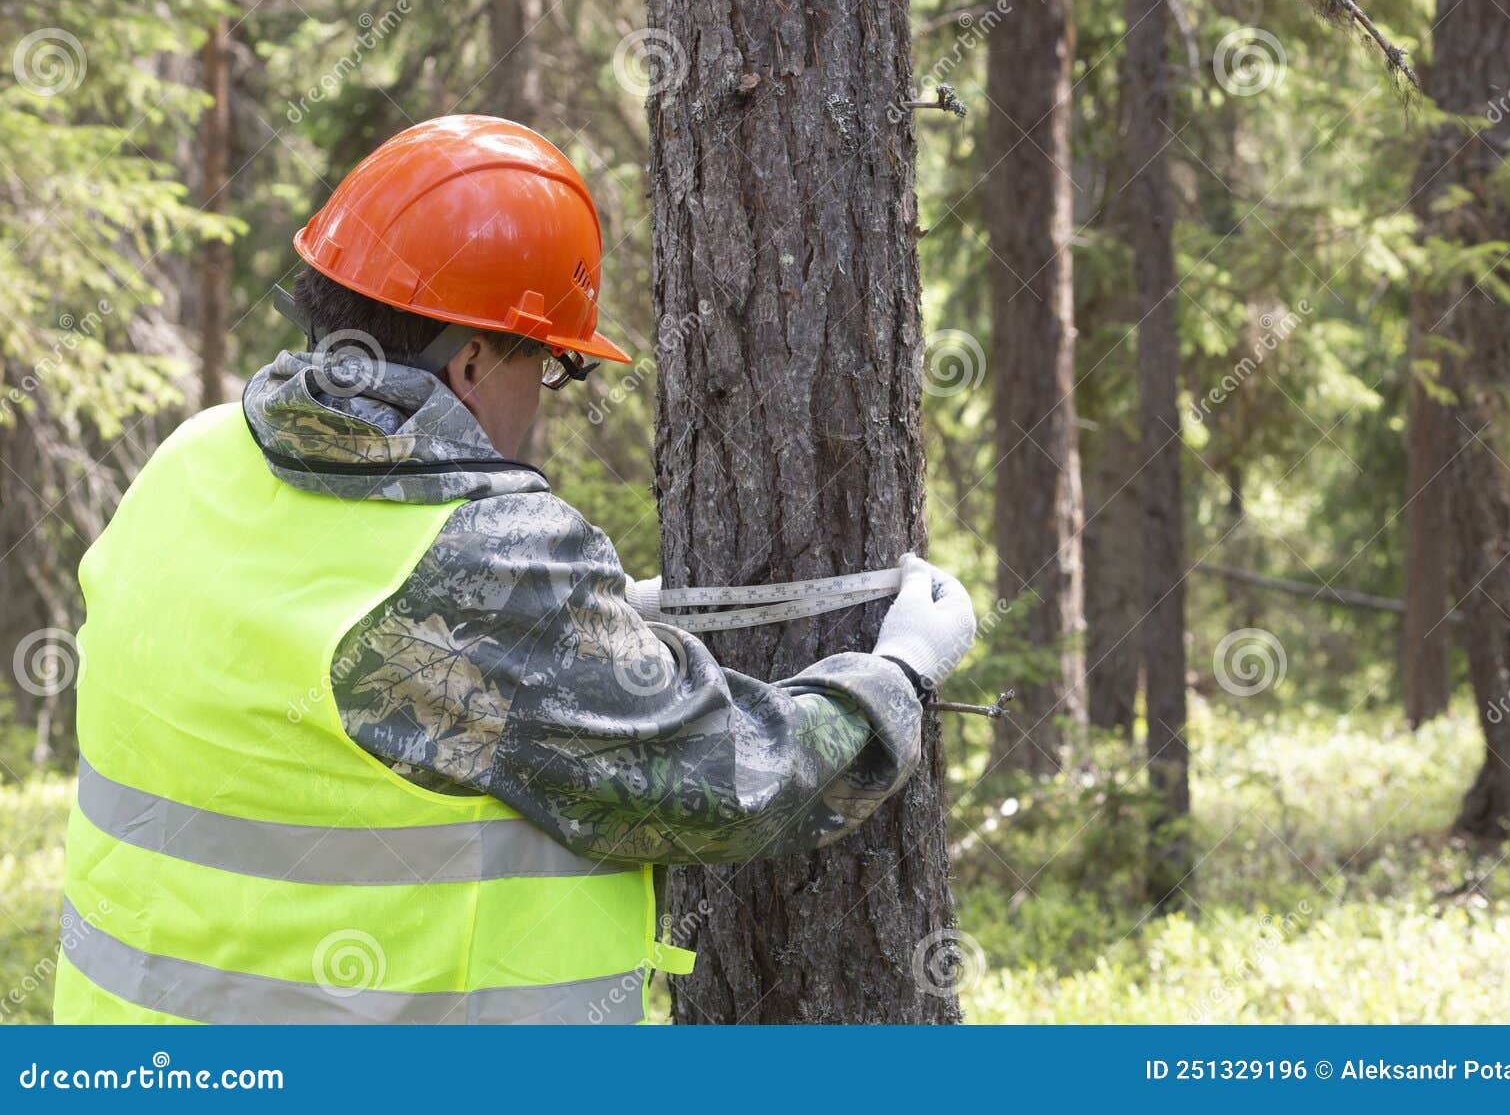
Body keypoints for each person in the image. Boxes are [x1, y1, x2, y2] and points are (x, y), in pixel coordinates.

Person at [53, 115, 977, 1025]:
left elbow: (309, 640)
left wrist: (584, 631)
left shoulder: (195, 456)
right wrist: (896, 674)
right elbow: (734, 786)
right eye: (549, 365)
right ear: (472, 360)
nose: (544, 398)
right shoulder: (484, 555)